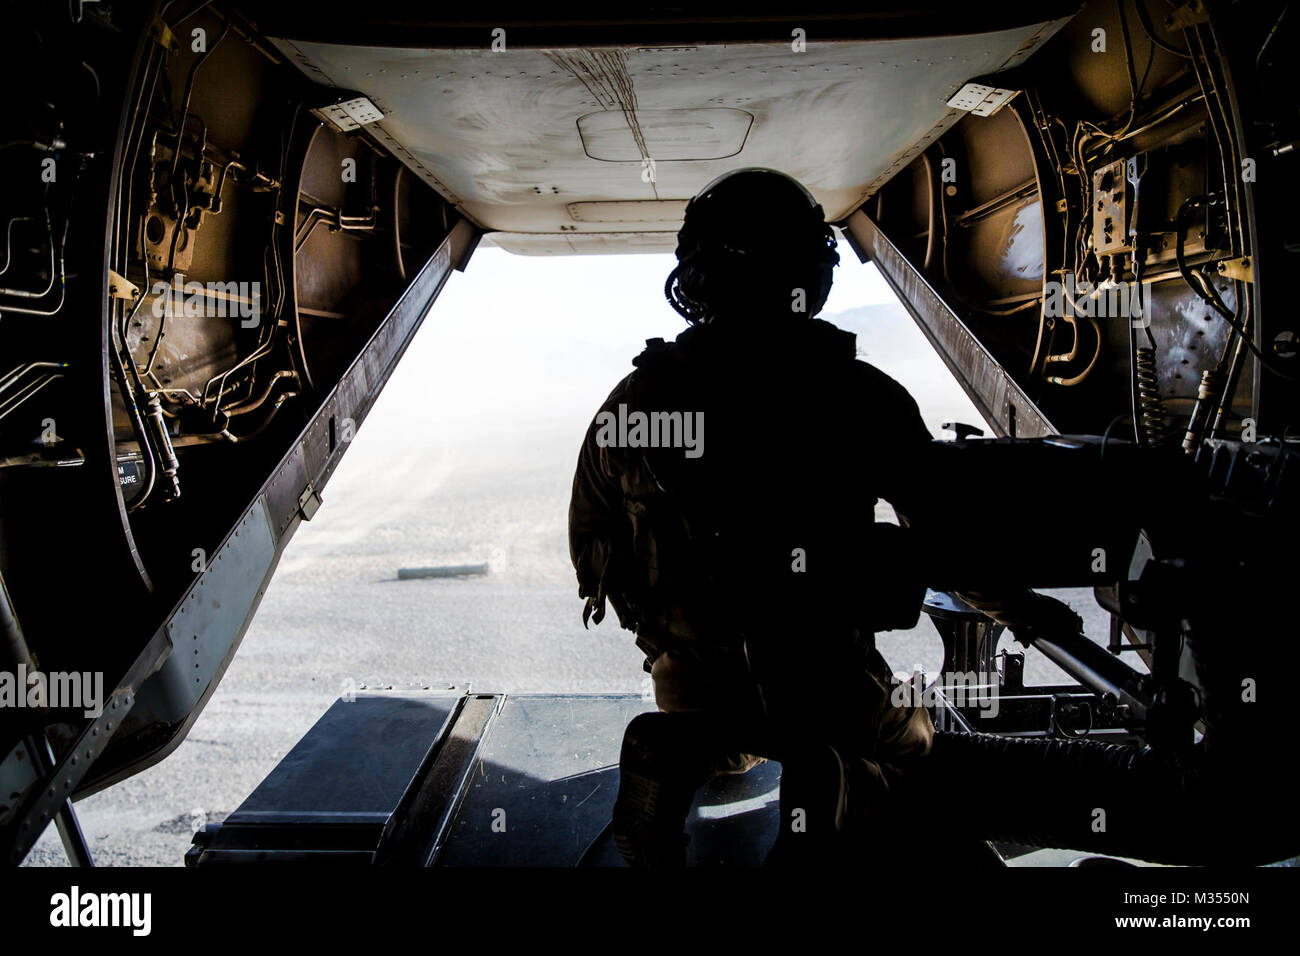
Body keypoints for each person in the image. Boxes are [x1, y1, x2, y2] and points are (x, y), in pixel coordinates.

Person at [568, 168, 935, 866]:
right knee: (915, 741)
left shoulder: (637, 404)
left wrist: (666, 639)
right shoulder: (865, 398)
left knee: (722, 743)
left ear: (697, 276)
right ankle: (830, 780)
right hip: (828, 685)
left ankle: (678, 749)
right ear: (809, 273)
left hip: (694, 689)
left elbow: (592, 537)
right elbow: (948, 533)